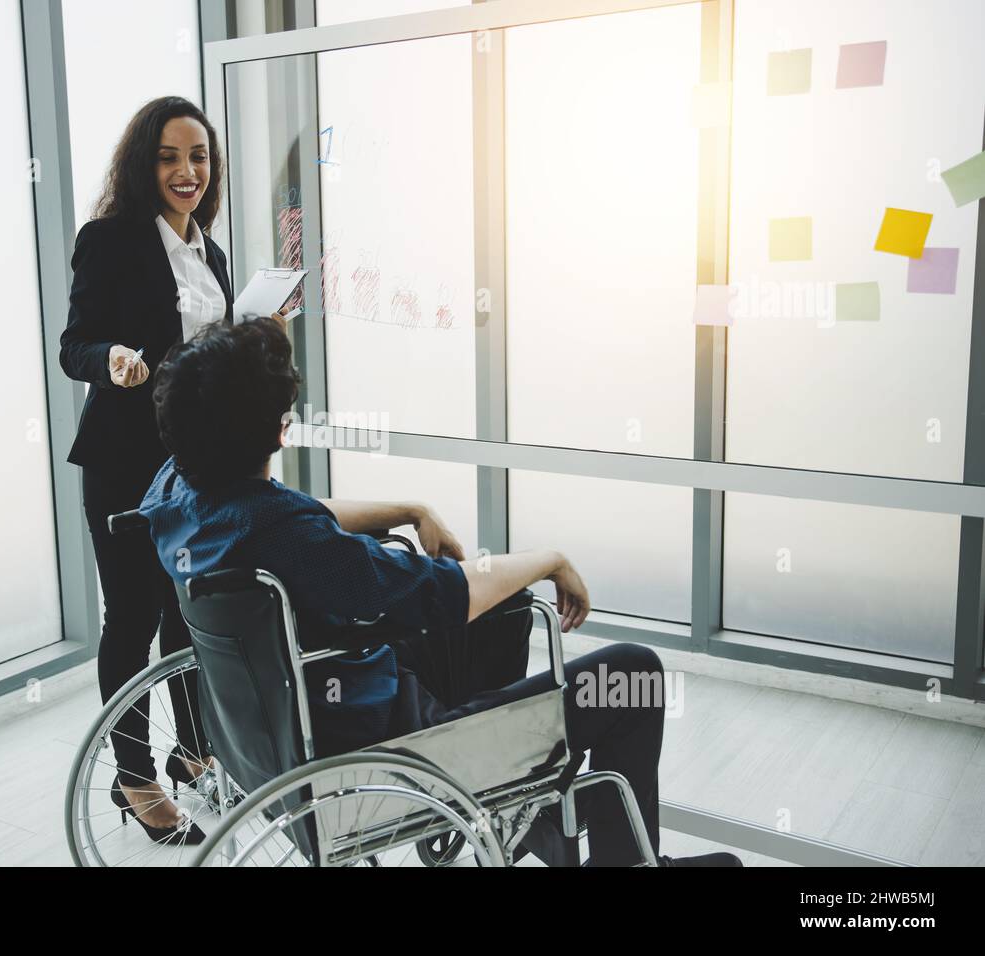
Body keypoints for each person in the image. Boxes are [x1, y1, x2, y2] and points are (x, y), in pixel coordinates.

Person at [138, 318, 742, 867]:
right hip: (378, 742)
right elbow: (441, 592)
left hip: (280, 732)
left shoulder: (179, 492)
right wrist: (548, 561)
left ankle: (531, 815)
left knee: (501, 616)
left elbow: (295, 515)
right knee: (631, 673)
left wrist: (409, 508)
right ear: (279, 430)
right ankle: (618, 859)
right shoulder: (297, 542)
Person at [59, 95, 282, 845]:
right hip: (124, 463)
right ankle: (134, 778)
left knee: (189, 613)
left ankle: (193, 754)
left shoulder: (209, 253)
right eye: (169, 157)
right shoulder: (110, 240)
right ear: (143, 164)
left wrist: (259, 333)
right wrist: (112, 358)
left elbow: (208, 363)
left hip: (195, 465)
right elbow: (75, 344)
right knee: (132, 618)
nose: (187, 171)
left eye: (198, 157)